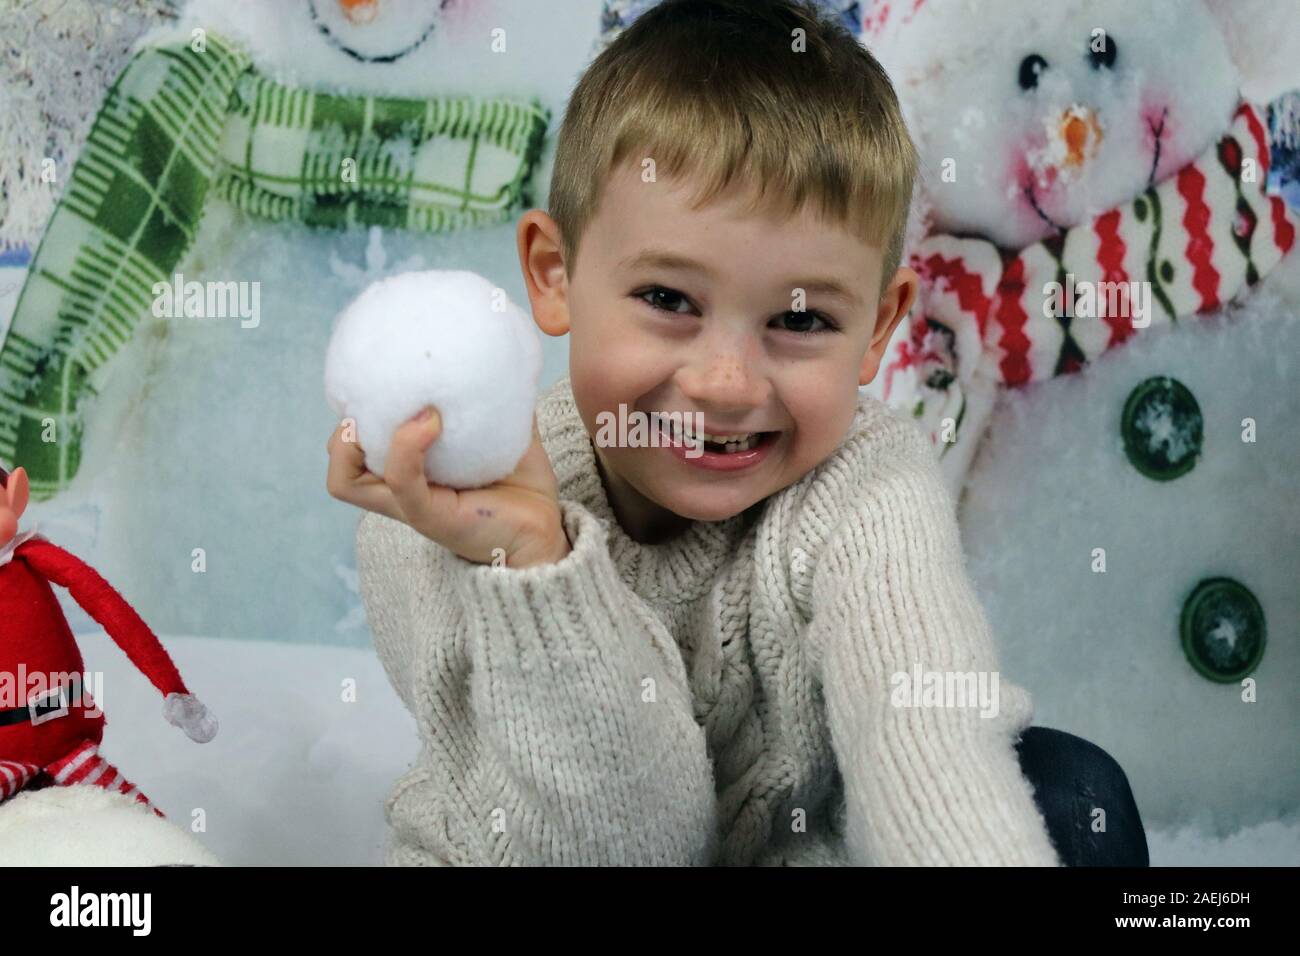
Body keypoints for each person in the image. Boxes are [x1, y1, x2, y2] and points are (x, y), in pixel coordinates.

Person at [326, 0, 1147, 866]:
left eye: (800, 320)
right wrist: (532, 564)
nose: (727, 384)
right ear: (554, 273)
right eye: (669, 301)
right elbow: (618, 854)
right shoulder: (432, 513)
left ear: (877, 327)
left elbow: (929, 744)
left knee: (1071, 789)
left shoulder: (869, 490)